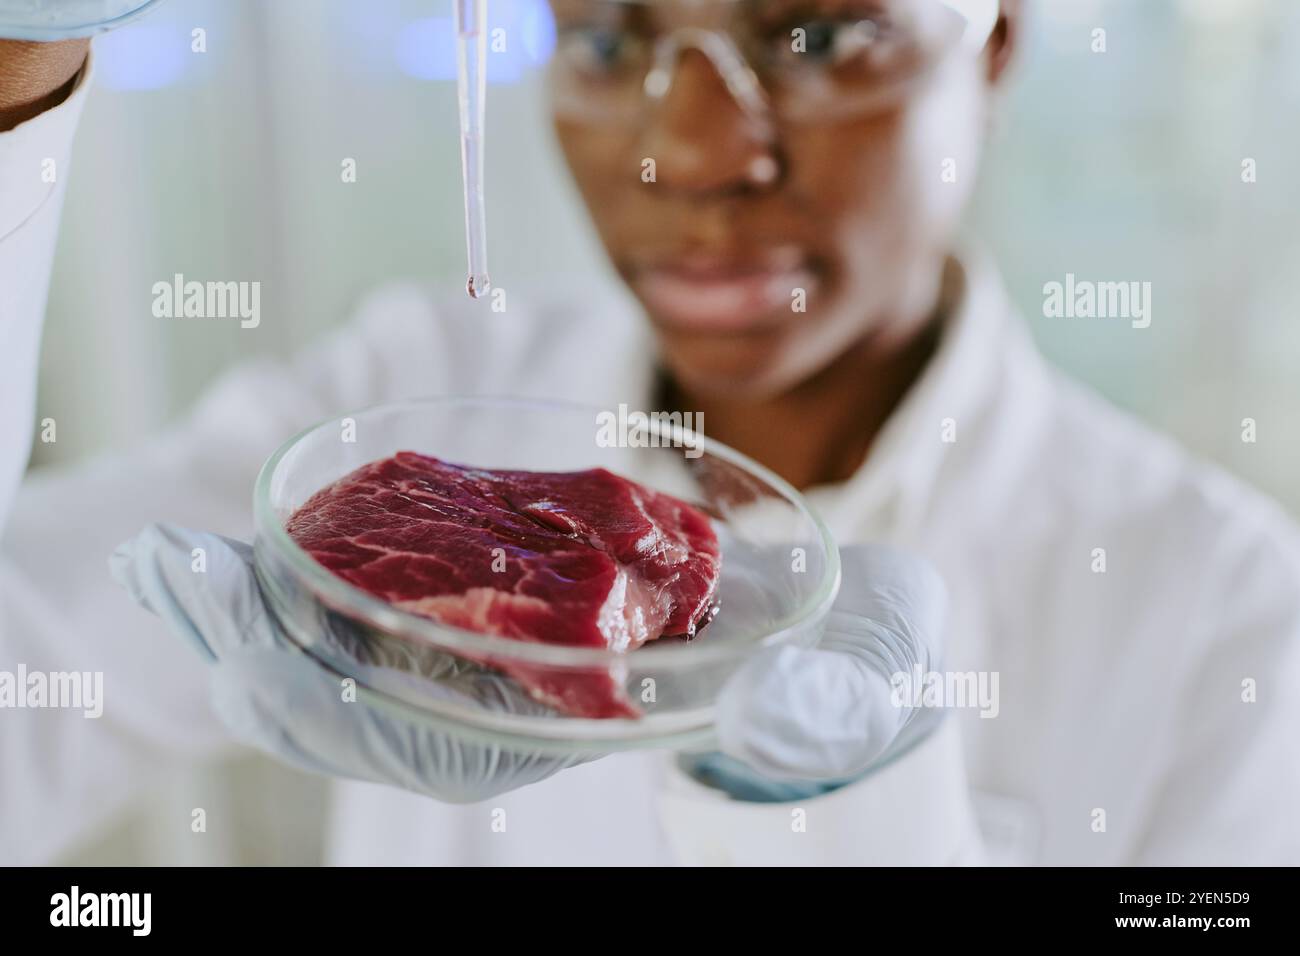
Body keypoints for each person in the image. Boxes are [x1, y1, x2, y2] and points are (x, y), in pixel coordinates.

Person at [2, 0, 1298, 866]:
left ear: (996, 40)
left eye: (811, 30)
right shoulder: (417, 395)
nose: (688, 153)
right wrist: (20, 61)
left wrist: (867, 819)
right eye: (612, 41)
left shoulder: (1230, 613)